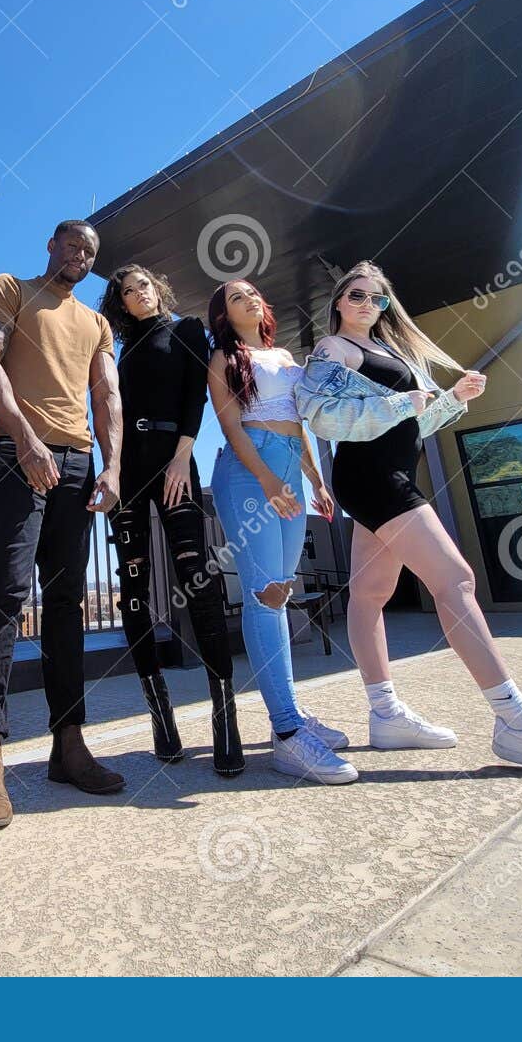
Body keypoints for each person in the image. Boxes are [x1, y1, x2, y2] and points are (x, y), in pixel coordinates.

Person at [298, 261, 522, 776]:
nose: (367, 306)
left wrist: (452, 401)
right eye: (356, 296)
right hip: (373, 477)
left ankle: (385, 715)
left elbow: (414, 421)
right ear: (337, 301)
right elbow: (319, 415)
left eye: (378, 300)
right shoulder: (335, 350)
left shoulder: (388, 350)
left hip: (389, 472)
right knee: (457, 581)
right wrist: (401, 402)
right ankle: (516, 724)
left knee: (370, 595)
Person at [0, 220, 123, 832]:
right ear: (50, 245)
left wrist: (112, 467)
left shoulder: (98, 322)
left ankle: (68, 744)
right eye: (71, 244)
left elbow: (107, 395)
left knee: (66, 602)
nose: (79, 255)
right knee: (4, 594)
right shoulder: (8, 289)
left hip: (79, 464)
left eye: (89, 250)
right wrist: (26, 438)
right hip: (15, 454)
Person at [206, 279, 358, 784]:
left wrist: (315, 477)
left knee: (283, 592)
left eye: (251, 292)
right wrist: (269, 478)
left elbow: (299, 418)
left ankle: (289, 714)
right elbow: (231, 428)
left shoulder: (284, 355)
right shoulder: (222, 359)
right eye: (234, 298)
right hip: (249, 471)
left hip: (291, 467)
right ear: (224, 316)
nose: (248, 298)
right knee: (264, 593)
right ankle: (288, 733)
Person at [98, 265, 243, 776]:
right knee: (133, 588)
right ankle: (162, 719)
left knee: (196, 577)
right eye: (126, 292)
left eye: (142, 285)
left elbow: (194, 396)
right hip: (128, 468)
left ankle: (225, 719)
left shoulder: (183, 330)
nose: (137, 294)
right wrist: (111, 469)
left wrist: (183, 456)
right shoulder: (119, 345)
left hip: (172, 458)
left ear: (158, 286)